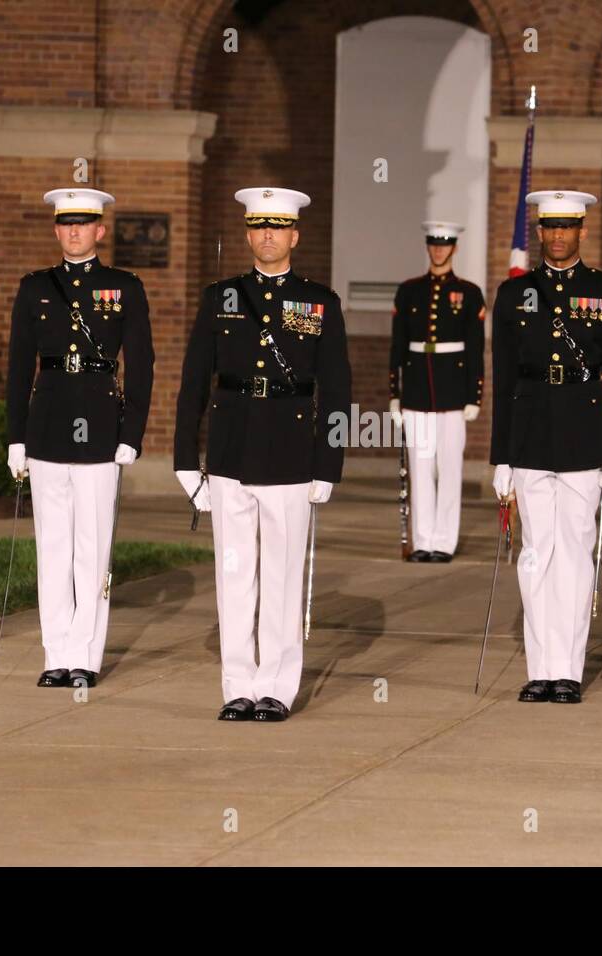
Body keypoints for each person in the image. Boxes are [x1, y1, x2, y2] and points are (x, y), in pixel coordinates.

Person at [174, 187, 353, 722]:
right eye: (258, 226)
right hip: (230, 451)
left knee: (281, 576)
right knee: (234, 575)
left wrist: (330, 462)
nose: (268, 235)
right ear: (249, 233)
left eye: (278, 226)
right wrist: (187, 458)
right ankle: (237, 685)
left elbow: (338, 389)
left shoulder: (320, 303)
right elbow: (192, 383)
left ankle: (276, 685)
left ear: (295, 235)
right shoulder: (220, 297)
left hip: (291, 454)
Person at [490, 190, 602, 704]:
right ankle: (540, 668)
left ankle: (568, 670)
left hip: (581, 434)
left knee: (574, 554)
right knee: (535, 554)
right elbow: (504, 378)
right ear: (540, 232)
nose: (556, 236)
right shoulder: (514, 295)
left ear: (581, 231)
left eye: (566, 227)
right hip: (529, 434)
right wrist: (501, 457)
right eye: (549, 228)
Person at [6, 188, 155, 689]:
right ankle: (56, 653)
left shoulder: (124, 287)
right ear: (56, 229)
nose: (73, 231)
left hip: (99, 425)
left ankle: (85, 656)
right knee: (52, 548)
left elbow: (142, 366)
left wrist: (130, 431)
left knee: (91, 549)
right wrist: (15, 439)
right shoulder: (34, 288)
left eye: (83, 223)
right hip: (46, 423)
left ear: (100, 230)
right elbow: (16, 368)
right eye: (65, 223)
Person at [388, 221, 485, 562]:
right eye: (434, 244)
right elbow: (398, 344)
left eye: (445, 244)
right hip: (416, 392)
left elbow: (475, 347)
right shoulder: (409, 290)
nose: (439, 249)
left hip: (453, 393)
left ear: (454, 248)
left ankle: (443, 542)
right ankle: (423, 540)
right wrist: (395, 392)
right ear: (428, 247)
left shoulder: (469, 292)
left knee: (449, 468)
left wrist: (474, 395)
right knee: (420, 469)